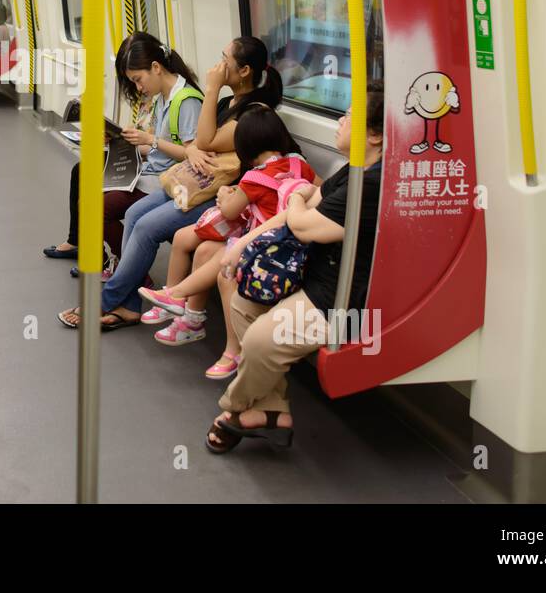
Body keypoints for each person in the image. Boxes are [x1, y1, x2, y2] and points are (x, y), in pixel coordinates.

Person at [57, 36, 284, 329]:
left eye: (225, 60)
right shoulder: (229, 102)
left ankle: (108, 301)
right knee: (135, 214)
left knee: (148, 227)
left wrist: (212, 87)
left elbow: (204, 140)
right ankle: (128, 305)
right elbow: (202, 147)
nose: (217, 66)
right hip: (193, 181)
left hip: (215, 195)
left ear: (244, 71)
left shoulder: (253, 111)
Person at [205, 85, 384, 454]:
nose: (340, 120)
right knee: (242, 300)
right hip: (316, 278)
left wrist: (300, 198)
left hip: (341, 302)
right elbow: (296, 208)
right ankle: (272, 410)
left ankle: (234, 411)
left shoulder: (371, 185)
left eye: (350, 116)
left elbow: (304, 223)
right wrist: (240, 245)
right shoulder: (352, 171)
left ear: (376, 134)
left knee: (257, 342)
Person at [139, 105, 315, 376]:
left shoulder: (255, 177)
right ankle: (191, 319)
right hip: (290, 245)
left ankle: (177, 296)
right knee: (207, 249)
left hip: (267, 251)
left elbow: (230, 211)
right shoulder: (297, 163)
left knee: (225, 265)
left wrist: (225, 194)